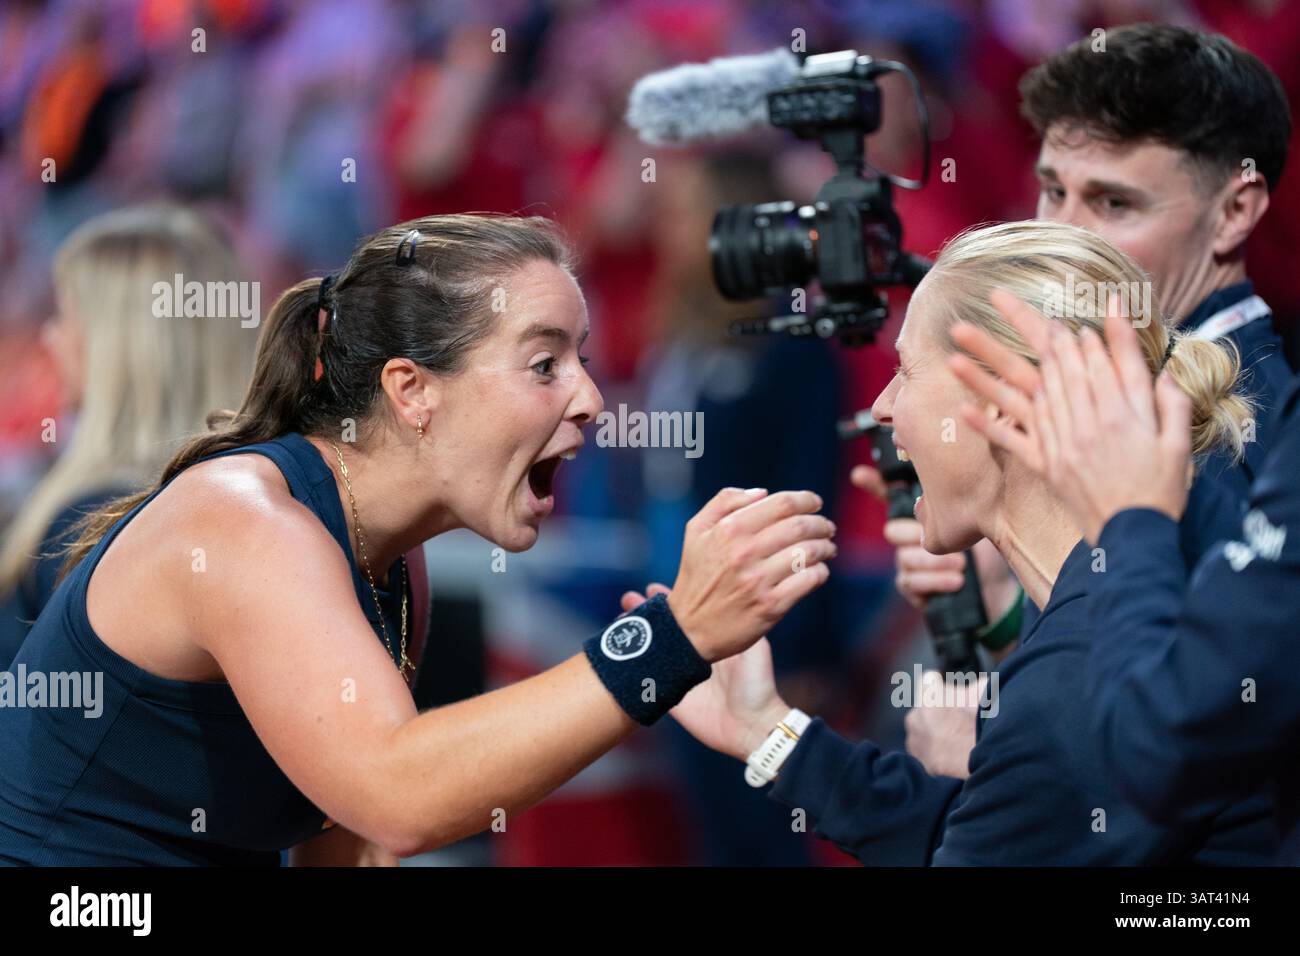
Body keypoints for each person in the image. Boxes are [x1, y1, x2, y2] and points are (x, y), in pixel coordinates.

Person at [0, 213, 834, 866]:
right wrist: (671, 638)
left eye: (579, 359)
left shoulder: (390, 554)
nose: (590, 399)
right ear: (412, 391)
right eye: (544, 365)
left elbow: (353, 836)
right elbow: (398, 790)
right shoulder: (248, 524)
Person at [628, 219, 1277, 864]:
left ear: (998, 402)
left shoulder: (1073, 676)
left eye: (906, 370)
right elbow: (998, 826)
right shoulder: (1147, 592)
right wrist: (766, 731)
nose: (881, 406)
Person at [871, 23, 1295, 780]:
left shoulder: (1257, 441)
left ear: (1234, 212)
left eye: (1112, 203)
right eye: (1052, 189)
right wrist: (1001, 596)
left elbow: (1210, 752)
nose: (1060, 230)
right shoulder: (1099, 394)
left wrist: (995, 757)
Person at [948, 283, 1300, 864]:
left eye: (906, 371)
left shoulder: (1060, 674)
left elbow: (1162, 748)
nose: (881, 406)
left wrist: (1132, 515)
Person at [0, 204, 257, 666]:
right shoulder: (257, 502)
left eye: (63, 315)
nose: (49, 338)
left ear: (117, 347)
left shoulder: (90, 523)